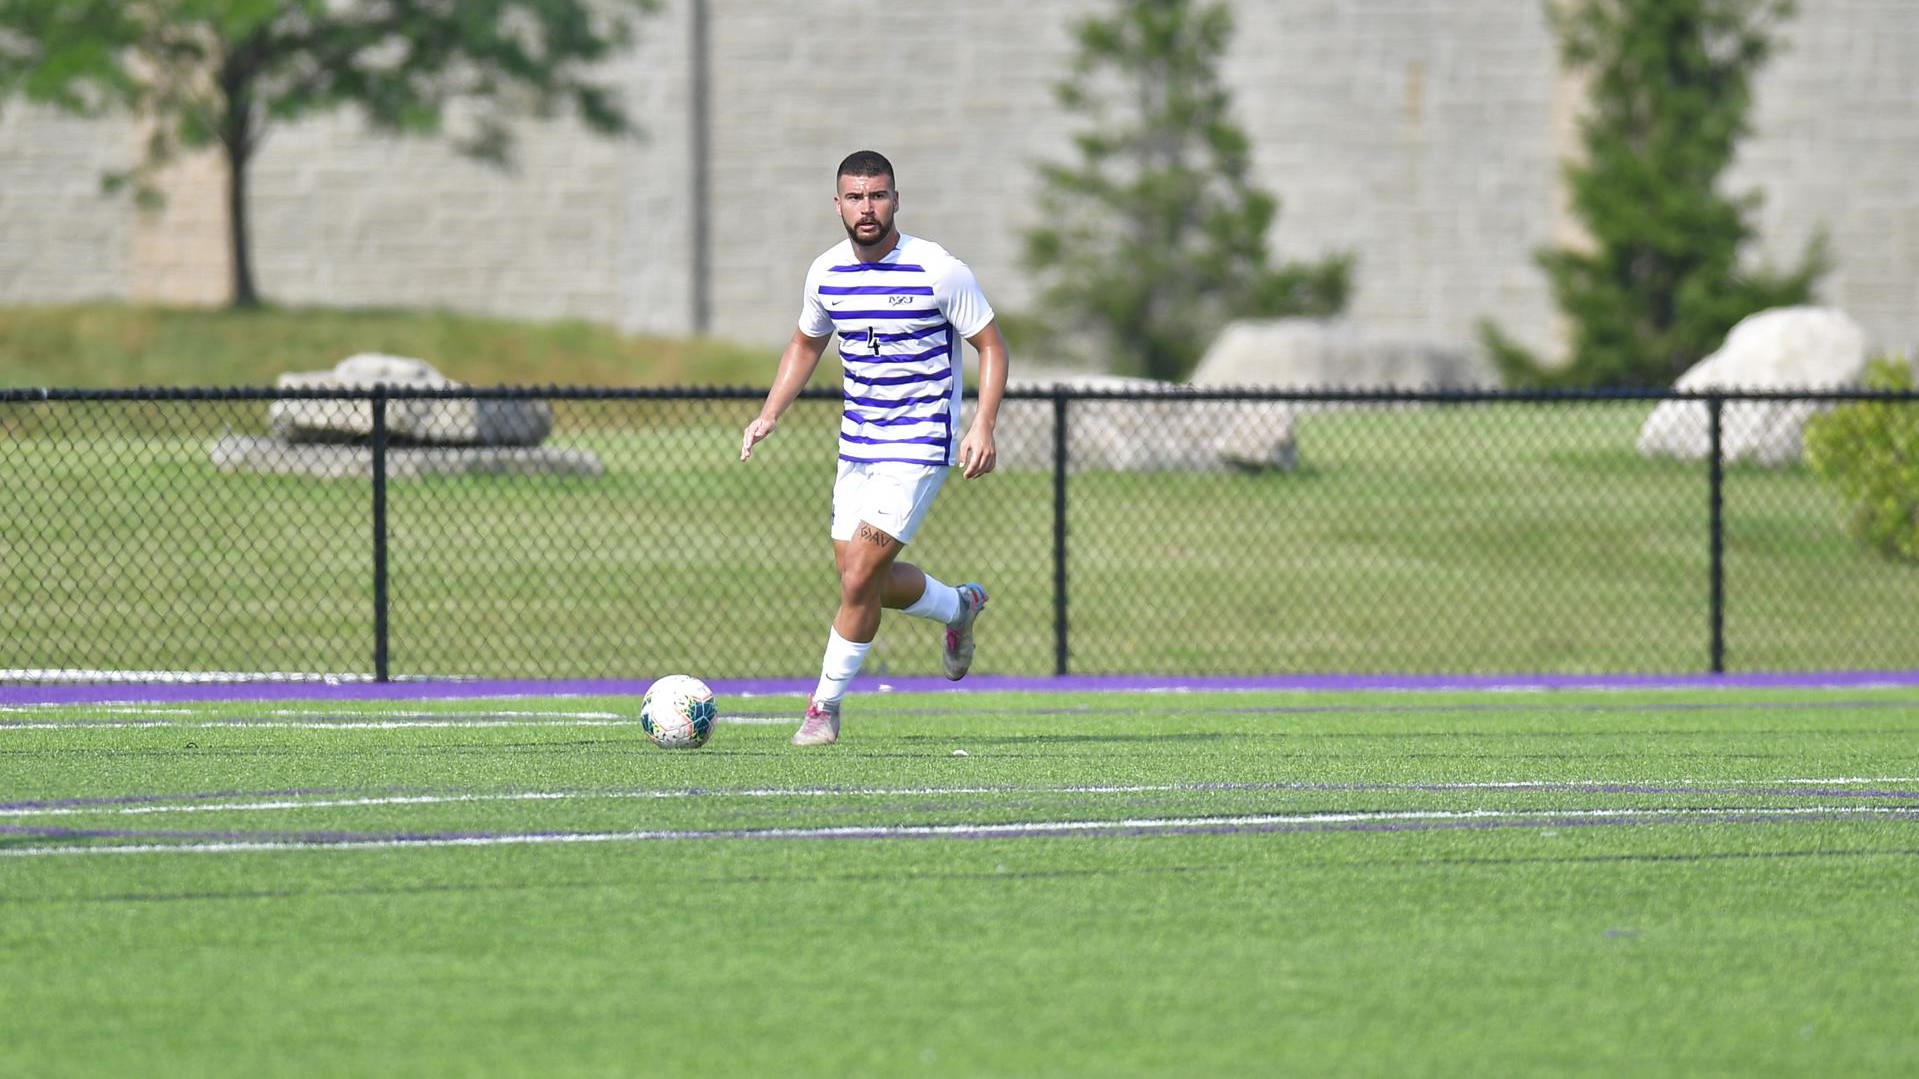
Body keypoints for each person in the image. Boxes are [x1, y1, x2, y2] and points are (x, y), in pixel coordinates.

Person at [740, 149, 1010, 747]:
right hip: (857, 446)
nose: (868, 208)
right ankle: (958, 607)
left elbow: (991, 346)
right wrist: (769, 413)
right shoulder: (826, 273)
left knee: (861, 573)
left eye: (878, 195)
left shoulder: (937, 269)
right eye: (855, 197)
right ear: (837, 204)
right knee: (859, 583)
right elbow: (805, 344)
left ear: (896, 199)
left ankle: (823, 708)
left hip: (919, 443)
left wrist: (982, 424)